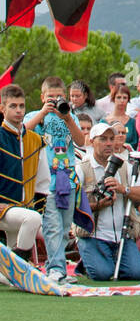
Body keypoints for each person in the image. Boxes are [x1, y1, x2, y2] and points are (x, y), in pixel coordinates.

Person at [25, 77, 87, 283]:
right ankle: (57, 269)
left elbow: (81, 141)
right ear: (42, 97)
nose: (54, 101)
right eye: (50, 97)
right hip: (45, 179)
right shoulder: (35, 116)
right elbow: (22, 132)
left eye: (58, 97)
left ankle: (55, 267)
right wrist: (43, 113)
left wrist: (67, 117)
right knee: (51, 224)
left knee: (63, 226)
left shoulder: (70, 117)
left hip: (67, 177)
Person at [75, 123, 140, 280]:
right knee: (101, 274)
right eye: (103, 139)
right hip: (92, 235)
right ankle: (91, 261)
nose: (109, 143)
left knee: (136, 273)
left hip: (122, 234)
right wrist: (97, 205)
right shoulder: (82, 168)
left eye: (111, 139)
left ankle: (111, 262)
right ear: (91, 141)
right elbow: (72, 206)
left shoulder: (127, 167)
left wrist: (124, 189)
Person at [0, 85, 50, 264]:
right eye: (13, 106)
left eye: (22, 106)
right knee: (33, 219)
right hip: (2, 208)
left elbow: (43, 183)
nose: (19, 110)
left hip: (23, 208)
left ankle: (14, 269)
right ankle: (19, 268)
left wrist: (37, 208)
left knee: (36, 220)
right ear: (2, 108)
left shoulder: (36, 141)